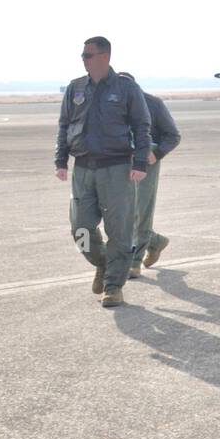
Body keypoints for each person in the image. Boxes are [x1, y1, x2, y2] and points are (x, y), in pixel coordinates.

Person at [54, 37, 151, 308]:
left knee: (119, 231)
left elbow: (142, 126)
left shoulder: (125, 88)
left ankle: (113, 286)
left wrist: (140, 163)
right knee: (80, 230)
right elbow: (64, 126)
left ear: (105, 56)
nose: (83, 59)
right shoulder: (75, 88)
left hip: (116, 169)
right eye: (82, 55)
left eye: (88, 55)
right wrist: (61, 160)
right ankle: (104, 263)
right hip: (83, 168)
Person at [116, 72, 181, 277]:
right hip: (118, 161)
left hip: (147, 162)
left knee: (140, 210)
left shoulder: (153, 104)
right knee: (122, 212)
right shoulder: (113, 105)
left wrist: (157, 153)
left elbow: (173, 135)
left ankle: (135, 261)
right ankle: (156, 241)